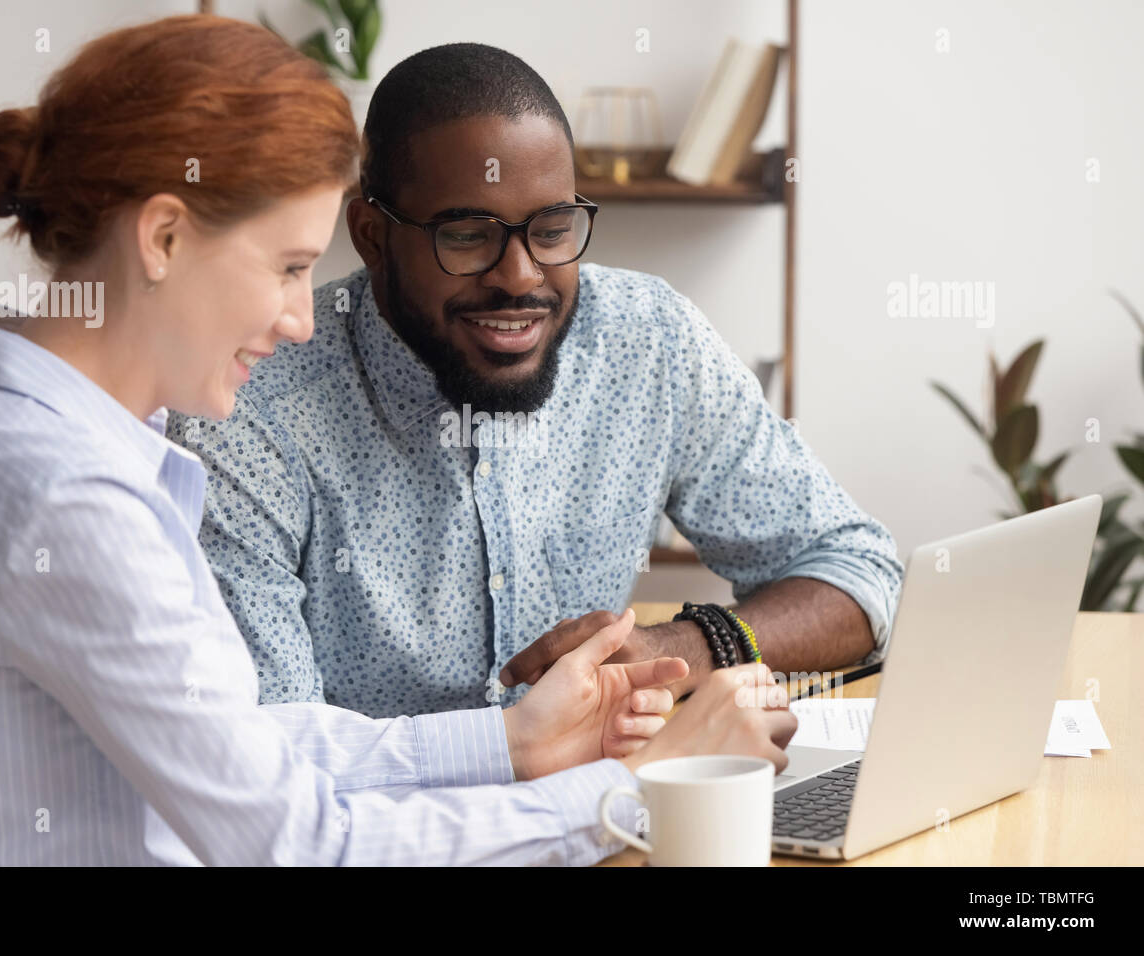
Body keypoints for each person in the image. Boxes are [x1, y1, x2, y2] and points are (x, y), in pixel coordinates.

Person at [0, 15, 796, 866]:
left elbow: (245, 750)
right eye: (290, 267)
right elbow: (303, 845)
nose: (304, 317)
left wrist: (513, 745)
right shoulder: (62, 494)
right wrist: (648, 785)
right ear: (163, 239)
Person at [167, 43, 906, 719]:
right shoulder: (250, 405)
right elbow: (277, 759)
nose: (519, 279)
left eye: (551, 230)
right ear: (371, 234)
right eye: (467, 236)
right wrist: (525, 760)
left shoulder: (648, 341)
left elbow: (859, 572)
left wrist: (686, 646)